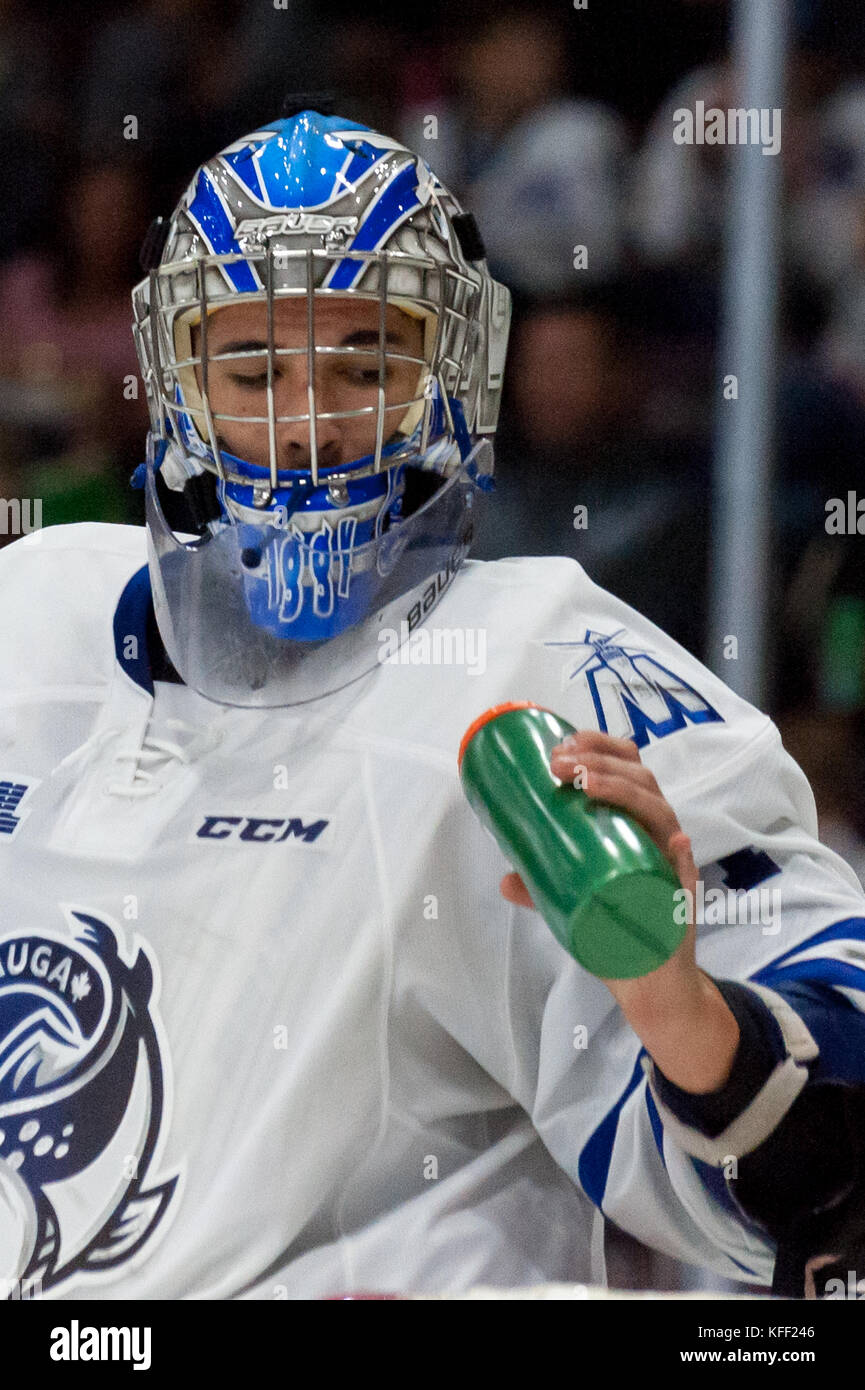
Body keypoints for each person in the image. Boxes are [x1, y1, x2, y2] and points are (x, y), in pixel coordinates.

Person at [3, 108, 865, 1302]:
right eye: (254, 371)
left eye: (366, 365)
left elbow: (833, 1163)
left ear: (452, 377)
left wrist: (688, 1015)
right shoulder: (26, 617)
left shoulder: (539, 663)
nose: (306, 427)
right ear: (176, 385)